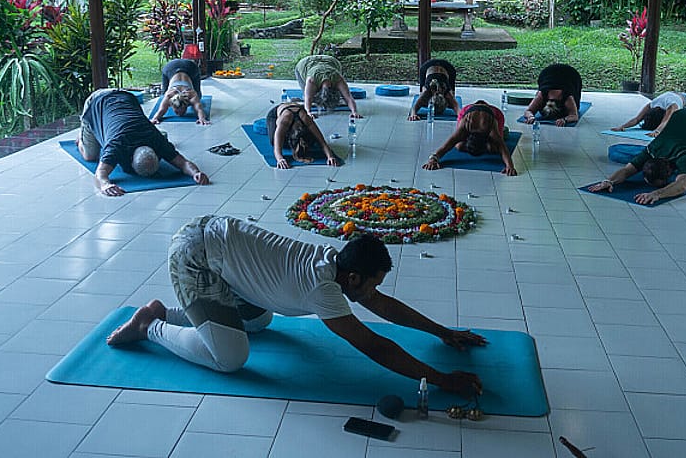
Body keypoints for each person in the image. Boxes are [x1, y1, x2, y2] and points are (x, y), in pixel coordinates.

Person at [107, 217, 485, 396]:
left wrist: (443, 332)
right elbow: (375, 345)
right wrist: (439, 379)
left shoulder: (335, 264)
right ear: (353, 279)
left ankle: (174, 316)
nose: (374, 292)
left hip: (220, 246)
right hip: (196, 255)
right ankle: (150, 325)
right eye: (372, 284)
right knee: (230, 358)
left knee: (258, 323)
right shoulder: (324, 288)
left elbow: (383, 306)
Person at [77, 88, 210, 196]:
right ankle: (81, 139)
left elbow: (183, 163)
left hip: (126, 97)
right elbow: (100, 174)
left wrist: (196, 173)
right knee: (90, 156)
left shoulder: (156, 139)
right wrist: (105, 185)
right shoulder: (117, 145)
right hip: (96, 102)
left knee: (157, 133)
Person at [583, 107, 686, 205]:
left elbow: (682, 186)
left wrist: (657, 194)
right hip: (681, 116)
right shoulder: (651, 150)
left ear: (670, 171)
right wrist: (608, 181)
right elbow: (627, 170)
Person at [422, 100, 516, 175]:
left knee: (494, 148)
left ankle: (502, 132)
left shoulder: (490, 127)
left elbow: (502, 147)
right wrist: (433, 159)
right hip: (468, 110)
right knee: (458, 146)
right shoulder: (465, 126)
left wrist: (510, 166)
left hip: (494, 113)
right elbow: (447, 145)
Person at [267, 99, 343, 169]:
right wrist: (280, 159)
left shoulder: (306, 119)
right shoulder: (285, 121)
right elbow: (277, 148)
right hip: (276, 113)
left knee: (313, 139)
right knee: (274, 140)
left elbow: (322, 142)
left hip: (297, 110)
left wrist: (330, 156)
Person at [294, 54, 362, 118]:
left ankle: (325, 102)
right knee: (308, 94)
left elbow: (348, 97)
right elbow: (308, 98)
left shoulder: (338, 79)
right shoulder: (311, 81)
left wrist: (354, 112)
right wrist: (308, 112)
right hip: (305, 63)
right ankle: (318, 102)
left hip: (330, 61)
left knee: (342, 92)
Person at [611, 90, 686, 137]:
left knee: (678, 120)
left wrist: (657, 131)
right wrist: (622, 127)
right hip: (673, 94)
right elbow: (637, 119)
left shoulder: (672, 107)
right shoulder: (651, 105)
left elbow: (665, 121)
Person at [151, 58, 209, 124]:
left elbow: (199, 109)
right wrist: (155, 118)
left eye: (182, 111)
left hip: (191, 67)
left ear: (186, 105)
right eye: (177, 112)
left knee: (199, 96)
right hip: (170, 67)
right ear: (172, 105)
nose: (179, 115)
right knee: (163, 95)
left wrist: (202, 118)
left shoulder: (192, 94)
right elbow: (161, 110)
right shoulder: (169, 95)